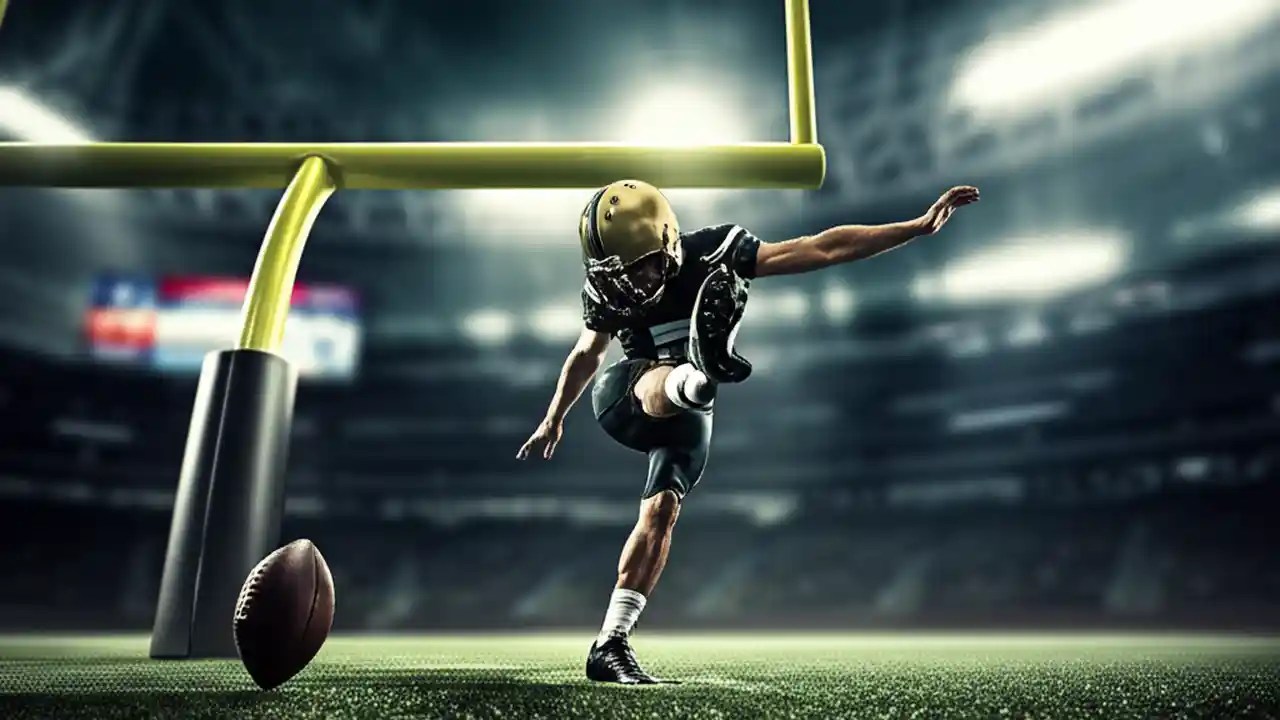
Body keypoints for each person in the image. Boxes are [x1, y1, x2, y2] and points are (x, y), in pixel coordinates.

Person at [517, 179, 979, 683]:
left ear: (667, 239)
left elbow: (822, 248)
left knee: (661, 511)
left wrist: (913, 227)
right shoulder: (611, 292)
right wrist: (553, 418)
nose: (627, 283)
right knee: (664, 379)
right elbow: (588, 353)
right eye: (617, 272)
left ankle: (610, 644)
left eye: (637, 266)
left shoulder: (713, 251)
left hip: (690, 414)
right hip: (627, 395)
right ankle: (701, 371)